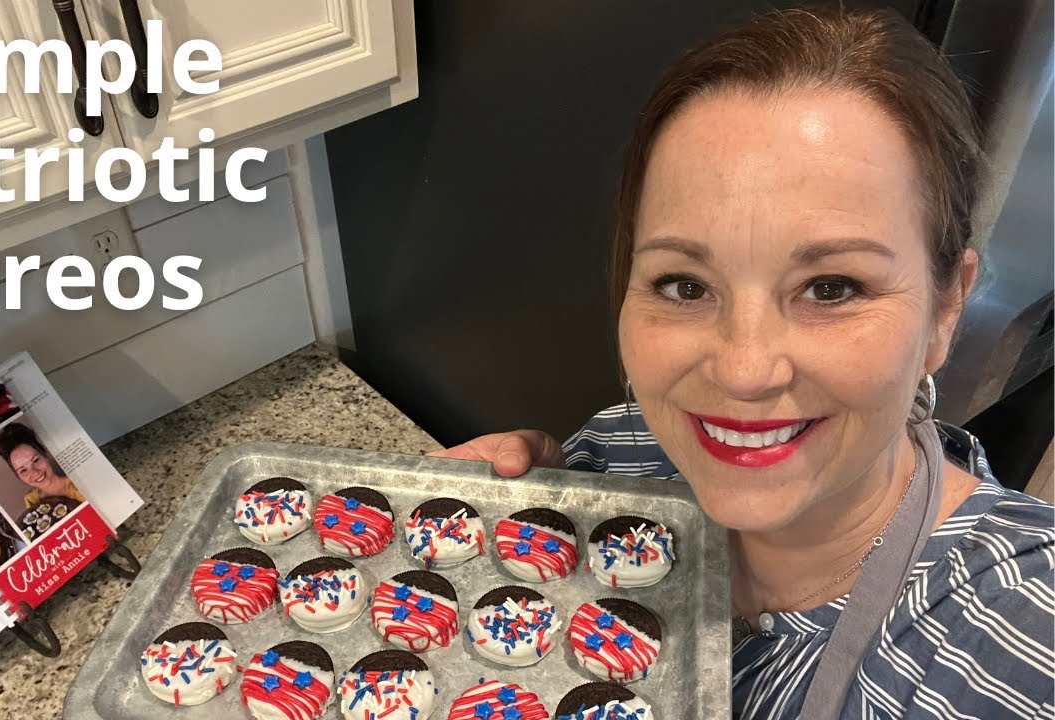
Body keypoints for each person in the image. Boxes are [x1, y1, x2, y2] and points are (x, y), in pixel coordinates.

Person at [436, 7, 1054, 719]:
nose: (743, 371)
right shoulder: (617, 456)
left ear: (946, 310)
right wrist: (496, 530)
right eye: (685, 286)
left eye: (832, 288)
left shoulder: (1017, 640)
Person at [0, 423, 85, 509]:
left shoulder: (80, 486)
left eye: (36, 460)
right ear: (18, 476)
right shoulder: (31, 500)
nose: (34, 472)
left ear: (44, 455)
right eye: (23, 470)